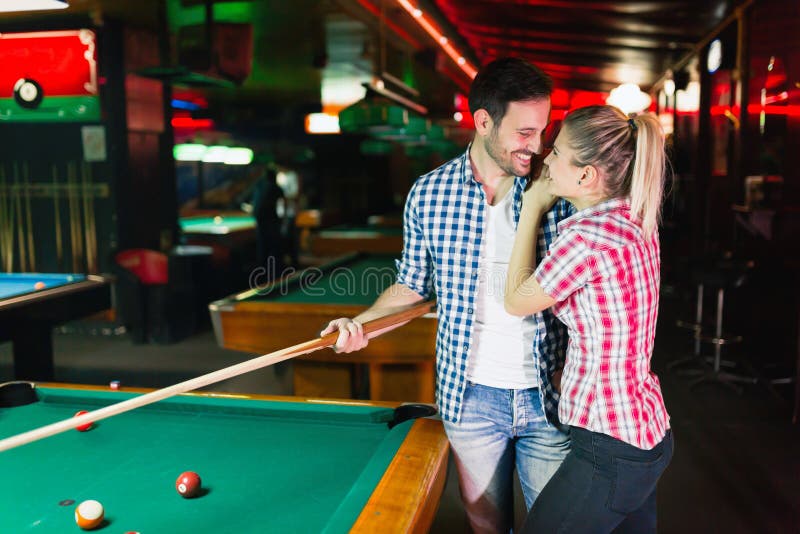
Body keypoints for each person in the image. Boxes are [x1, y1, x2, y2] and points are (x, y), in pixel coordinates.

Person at [321, 57, 573, 533]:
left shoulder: (556, 190)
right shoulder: (429, 194)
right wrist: (363, 324)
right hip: (470, 398)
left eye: (541, 131)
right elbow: (412, 287)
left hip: (548, 397)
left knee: (557, 526)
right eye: (524, 132)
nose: (536, 146)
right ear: (483, 121)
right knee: (485, 525)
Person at [504, 105, 673, 533]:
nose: (546, 159)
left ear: (586, 175)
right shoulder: (634, 219)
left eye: (557, 152)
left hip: (609, 448)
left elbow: (516, 300)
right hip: (646, 433)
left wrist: (532, 208)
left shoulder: (585, 238)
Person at [250, 166, 286, 275]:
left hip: (259, 219)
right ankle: (277, 273)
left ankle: (262, 273)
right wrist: (283, 218)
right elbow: (284, 202)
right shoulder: (275, 187)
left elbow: (254, 202)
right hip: (270, 220)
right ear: (274, 176)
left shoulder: (259, 185)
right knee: (275, 247)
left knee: (263, 246)